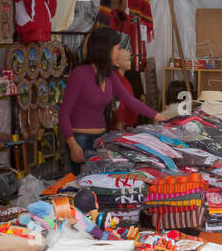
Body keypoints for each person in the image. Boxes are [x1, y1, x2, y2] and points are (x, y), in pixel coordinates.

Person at [60, 27, 173, 171]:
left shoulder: (109, 75)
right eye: (116, 48)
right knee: (81, 185)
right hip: (79, 139)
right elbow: (63, 112)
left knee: (98, 182)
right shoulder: (80, 74)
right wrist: (71, 143)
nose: (117, 53)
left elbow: (130, 100)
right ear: (105, 50)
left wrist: (158, 116)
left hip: (100, 139)